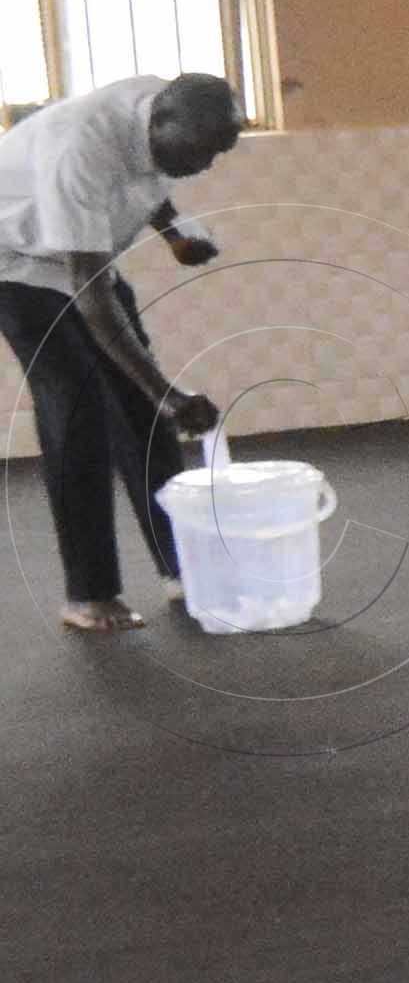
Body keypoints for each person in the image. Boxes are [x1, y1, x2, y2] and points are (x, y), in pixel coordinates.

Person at [0, 71, 241, 631]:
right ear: (161, 121)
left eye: (218, 152)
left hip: (80, 259)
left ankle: (181, 569)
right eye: (200, 149)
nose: (206, 164)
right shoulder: (80, 147)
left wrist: (175, 229)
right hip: (13, 263)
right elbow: (92, 294)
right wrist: (170, 393)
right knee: (76, 407)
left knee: (143, 413)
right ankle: (90, 596)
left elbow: (143, 180)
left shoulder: (158, 110)